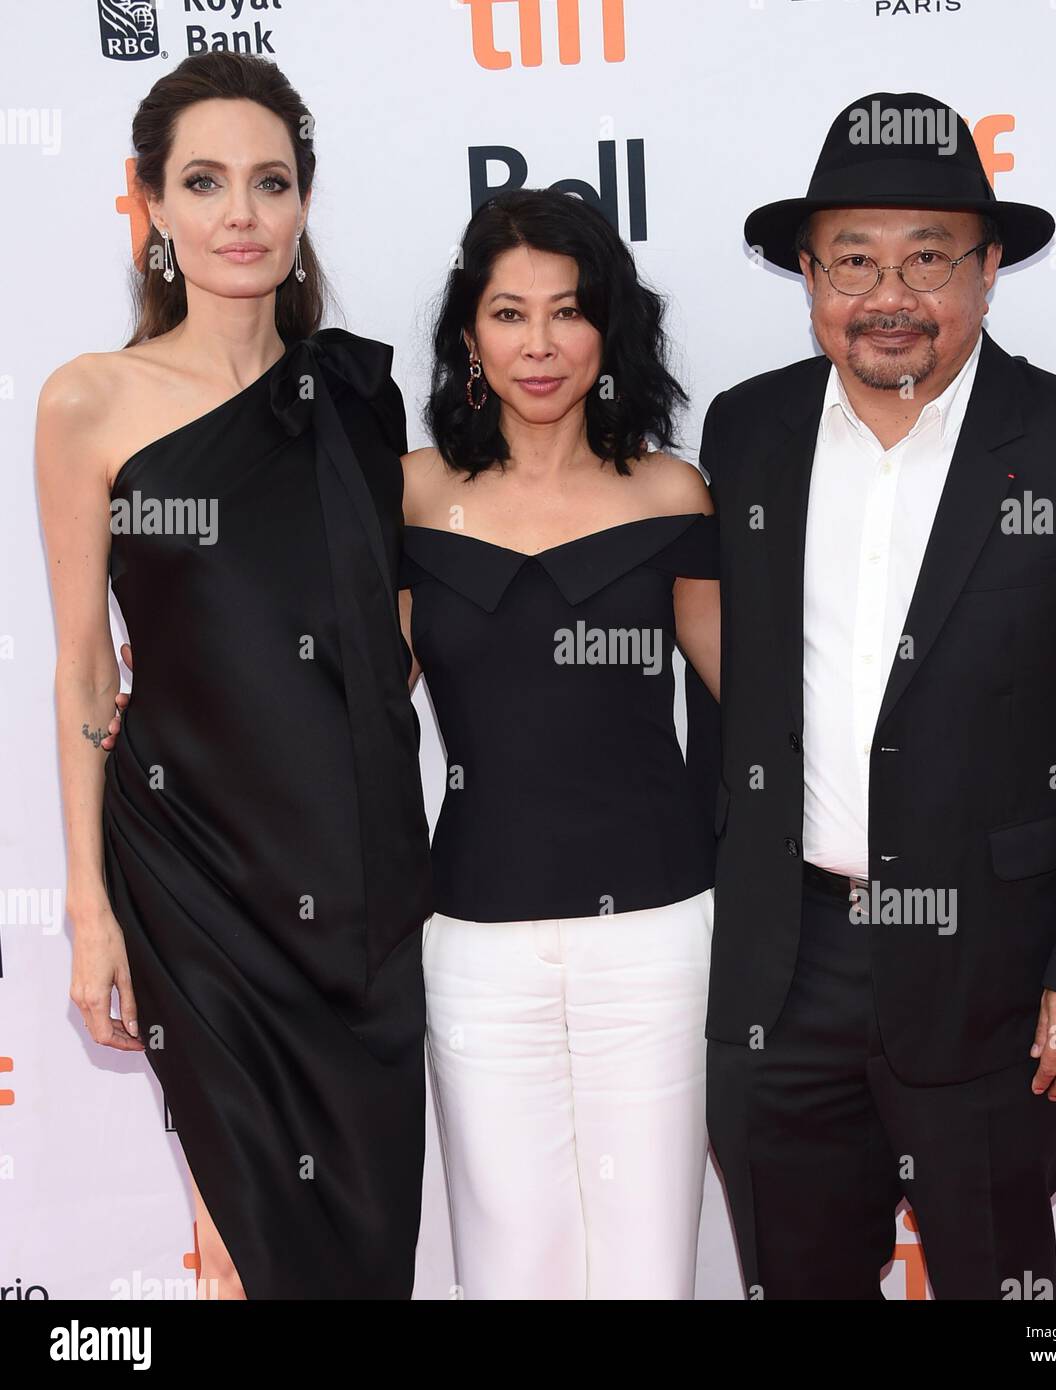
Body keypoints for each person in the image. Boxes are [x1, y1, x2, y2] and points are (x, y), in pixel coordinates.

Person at [702, 90, 1056, 1299]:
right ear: (808, 277)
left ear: (988, 270)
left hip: (999, 971)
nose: (889, 295)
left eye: (929, 257)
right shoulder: (746, 433)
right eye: (853, 259)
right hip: (785, 959)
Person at [36, 52, 431, 1299]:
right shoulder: (88, 402)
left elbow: (392, 643)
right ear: (147, 201)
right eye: (203, 182)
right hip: (191, 884)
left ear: (305, 201)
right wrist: (92, 913)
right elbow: (87, 673)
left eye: (270, 182)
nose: (240, 214)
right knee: (248, 1246)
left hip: (356, 886)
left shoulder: (359, 401)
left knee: (361, 1254)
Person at [398, 188, 722, 1298]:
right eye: (508, 313)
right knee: (507, 1264)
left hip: (658, 933)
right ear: (469, 337)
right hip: (475, 936)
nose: (540, 344)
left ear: (608, 333)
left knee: (646, 1263)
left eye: (569, 312)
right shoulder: (409, 496)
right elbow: (345, 715)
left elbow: (761, 699)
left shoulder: (674, 492)